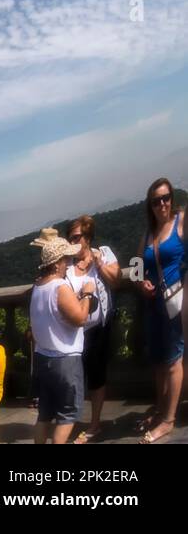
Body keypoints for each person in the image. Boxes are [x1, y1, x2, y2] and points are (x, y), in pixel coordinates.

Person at [28, 230, 94, 444]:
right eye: (65, 259)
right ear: (56, 263)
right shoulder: (60, 286)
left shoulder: (38, 286)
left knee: (45, 413)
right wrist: (87, 294)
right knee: (67, 415)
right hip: (64, 361)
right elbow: (81, 318)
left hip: (43, 359)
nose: (68, 263)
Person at [65, 215, 120, 444]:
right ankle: (70, 422)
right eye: (70, 238)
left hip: (99, 328)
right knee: (74, 379)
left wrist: (99, 264)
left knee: (97, 377)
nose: (74, 242)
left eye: (77, 237)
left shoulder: (104, 252)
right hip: (75, 331)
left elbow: (116, 279)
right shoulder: (65, 265)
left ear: (88, 237)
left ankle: (95, 424)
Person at [138, 177, 183, 443]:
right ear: (150, 205)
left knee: (173, 361)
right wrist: (139, 280)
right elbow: (135, 264)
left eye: (166, 198)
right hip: (152, 303)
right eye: (156, 201)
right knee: (158, 361)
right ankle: (160, 409)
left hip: (175, 301)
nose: (162, 204)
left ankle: (169, 420)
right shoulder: (148, 233)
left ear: (172, 199)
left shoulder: (181, 223)